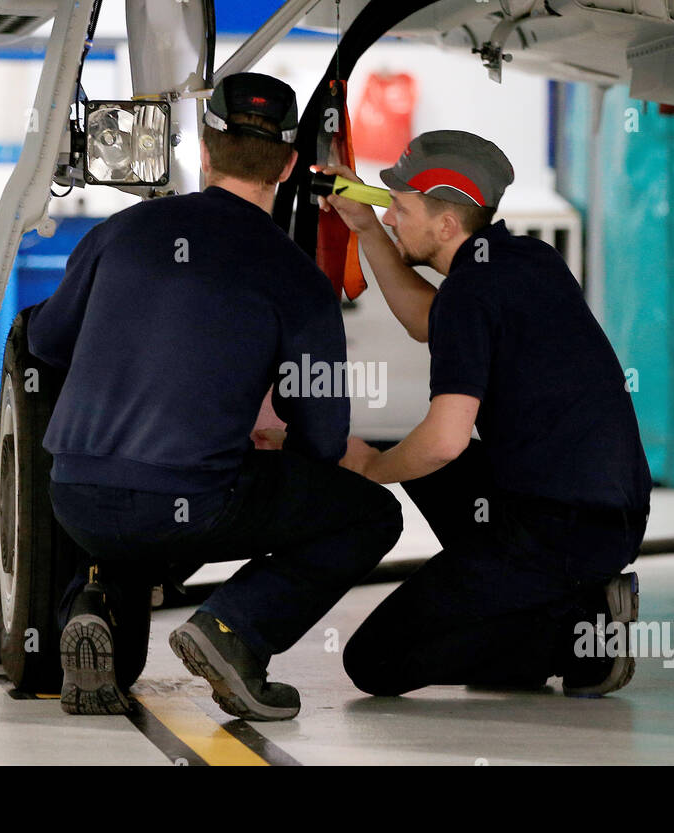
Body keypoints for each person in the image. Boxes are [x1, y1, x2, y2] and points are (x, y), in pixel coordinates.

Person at [27, 72, 403, 721]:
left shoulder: (121, 232)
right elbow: (323, 436)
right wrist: (271, 439)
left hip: (74, 490)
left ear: (203, 149)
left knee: (144, 513)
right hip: (191, 498)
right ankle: (235, 629)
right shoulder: (298, 277)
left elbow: (47, 343)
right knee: (370, 515)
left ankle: (92, 609)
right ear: (288, 164)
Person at [317, 129, 652, 697]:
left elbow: (445, 440)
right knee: (430, 467)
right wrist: (367, 227)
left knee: (373, 662)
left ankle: (582, 639)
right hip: (605, 512)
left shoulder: (474, 292)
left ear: (447, 226)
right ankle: (540, 600)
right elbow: (427, 320)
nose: (392, 216)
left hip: (561, 529)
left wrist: (370, 468)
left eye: (399, 208)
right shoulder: (524, 260)